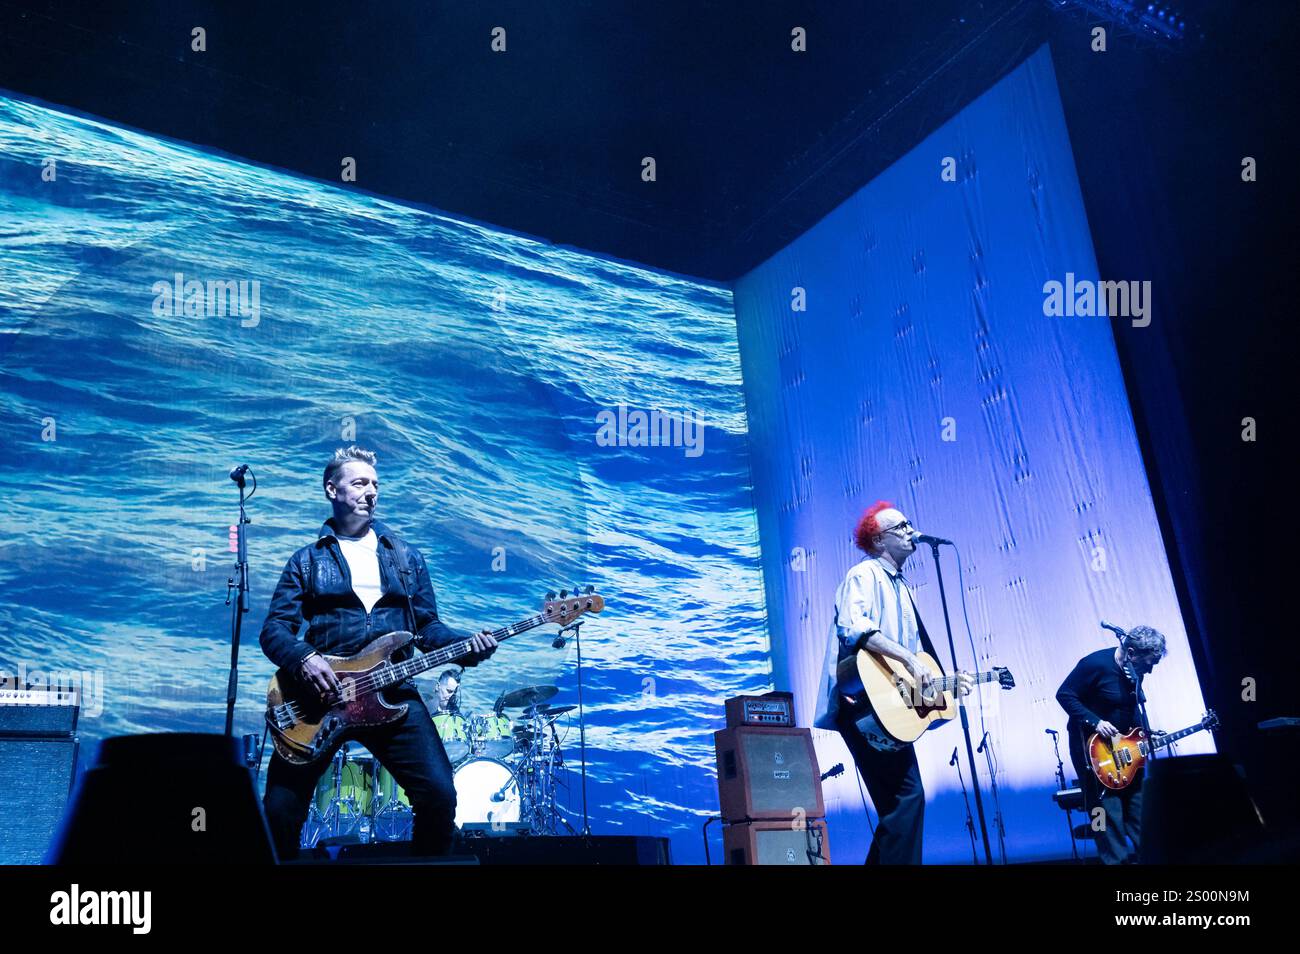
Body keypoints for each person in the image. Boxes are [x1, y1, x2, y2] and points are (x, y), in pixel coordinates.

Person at [259, 445, 498, 858]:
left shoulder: (405, 558)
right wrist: (303, 658)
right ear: (332, 490)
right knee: (280, 809)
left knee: (439, 795)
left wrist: (467, 648)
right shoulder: (306, 561)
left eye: (374, 484)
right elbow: (274, 630)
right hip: (322, 699)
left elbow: (427, 628)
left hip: (392, 692)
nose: (370, 492)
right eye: (359, 483)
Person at [812, 500, 972, 864]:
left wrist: (944, 684)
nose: (909, 530)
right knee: (906, 800)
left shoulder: (903, 587)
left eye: (908, 524)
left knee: (901, 804)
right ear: (879, 540)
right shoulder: (863, 575)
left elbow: (913, 667)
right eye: (900, 527)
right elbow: (854, 628)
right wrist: (908, 658)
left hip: (887, 709)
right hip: (862, 707)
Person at [1056, 626, 1166, 864]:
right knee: (1107, 811)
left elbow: (1130, 706)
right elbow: (1064, 694)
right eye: (1149, 663)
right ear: (1132, 652)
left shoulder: (1133, 670)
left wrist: (1145, 733)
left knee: (1139, 805)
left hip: (1125, 747)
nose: (1150, 669)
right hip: (1093, 749)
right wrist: (1095, 721)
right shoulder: (1095, 664)